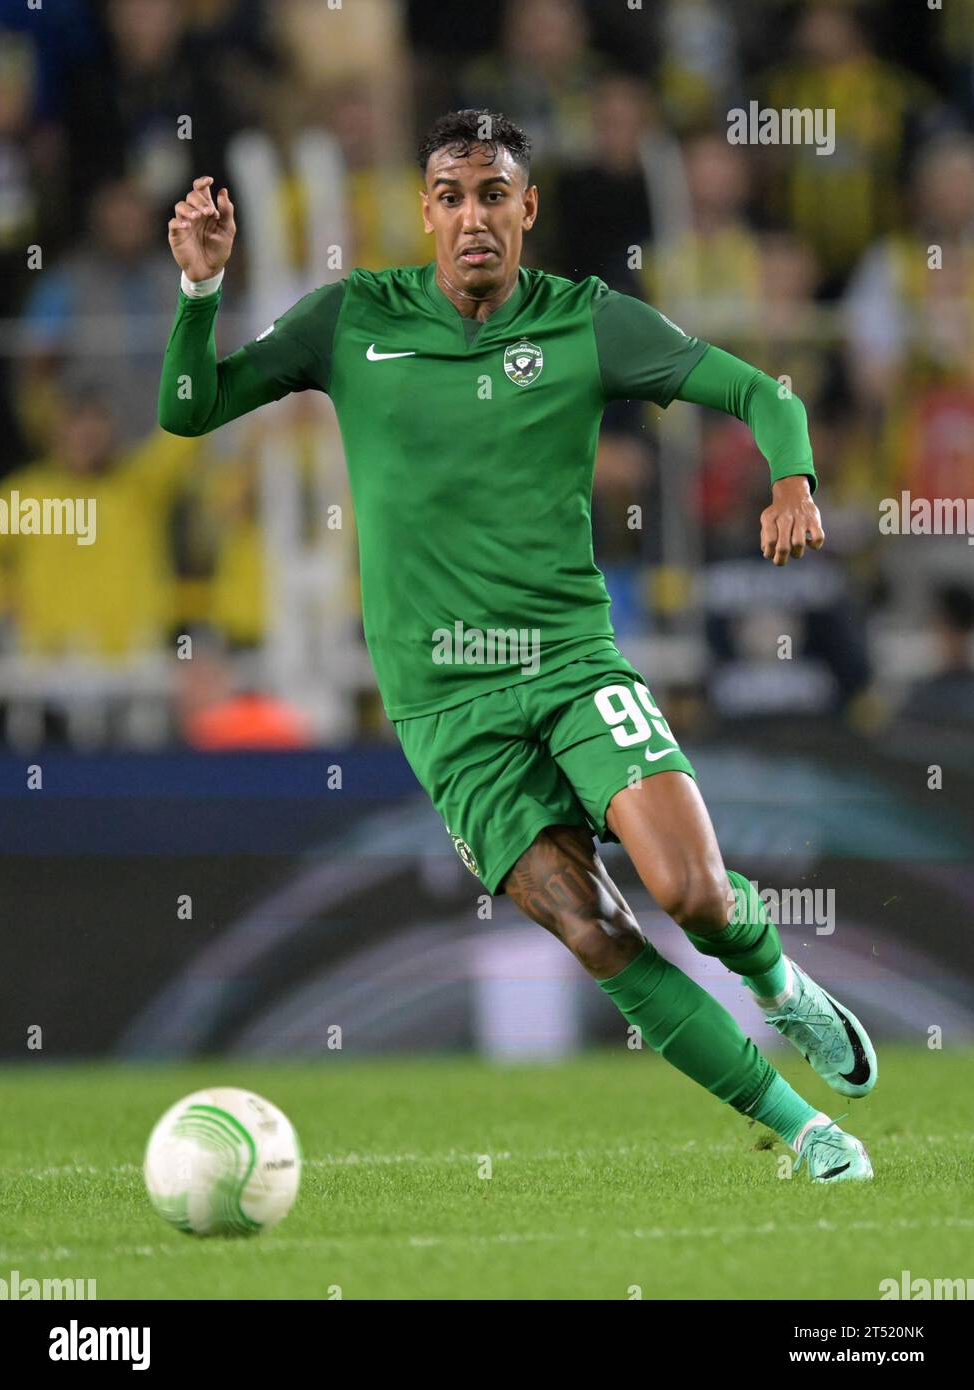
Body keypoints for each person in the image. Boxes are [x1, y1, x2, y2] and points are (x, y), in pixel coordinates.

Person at [158, 109, 876, 1183]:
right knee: (593, 928)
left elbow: (759, 391)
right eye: (451, 195)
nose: (472, 217)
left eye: (494, 193)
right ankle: (804, 1127)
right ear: (425, 211)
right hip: (443, 708)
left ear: (527, 209)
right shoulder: (352, 319)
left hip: (570, 663)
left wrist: (792, 480)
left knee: (690, 890)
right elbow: (188, 407)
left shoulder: (586, 322)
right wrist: (203, 294)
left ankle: (779, 985)